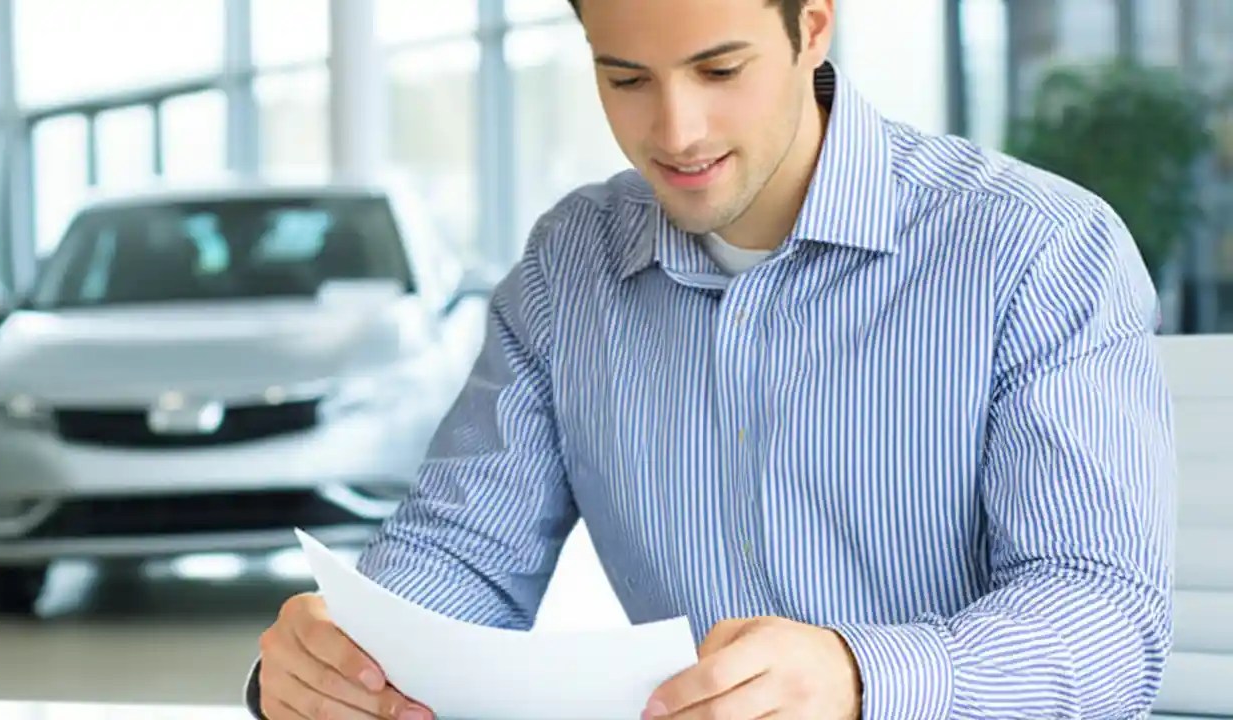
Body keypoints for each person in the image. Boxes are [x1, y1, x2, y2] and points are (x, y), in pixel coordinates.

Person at [250, 0, 1176, 717]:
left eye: (718, 68)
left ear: (812, 25)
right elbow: (462, 555)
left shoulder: (1041, 250)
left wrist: (859, 680)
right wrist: (343, 661)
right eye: (626, 79)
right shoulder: (569, 266)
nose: (677, 131)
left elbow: (1101, 619)